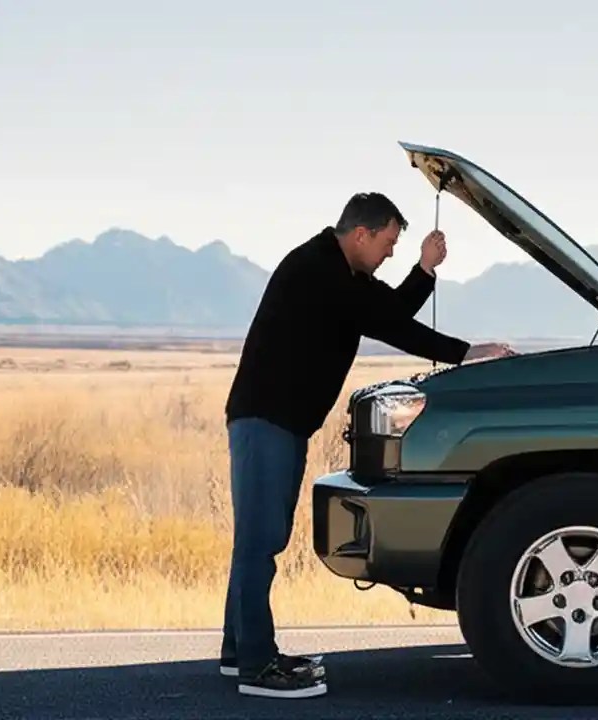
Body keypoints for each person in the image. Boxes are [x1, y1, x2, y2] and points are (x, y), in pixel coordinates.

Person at [219, 192, 514, 699]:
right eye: (389, 244)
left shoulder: (341, 273)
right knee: (260, 541)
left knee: (258, 539)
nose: (390, 254)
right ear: (361, 235)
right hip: (265, 421)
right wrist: (467, 353)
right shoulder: (318, 270)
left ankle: (239, 653)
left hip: (280, 423)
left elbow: (387, 310)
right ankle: (256, 667)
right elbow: (391, 324)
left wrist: (424, 269)